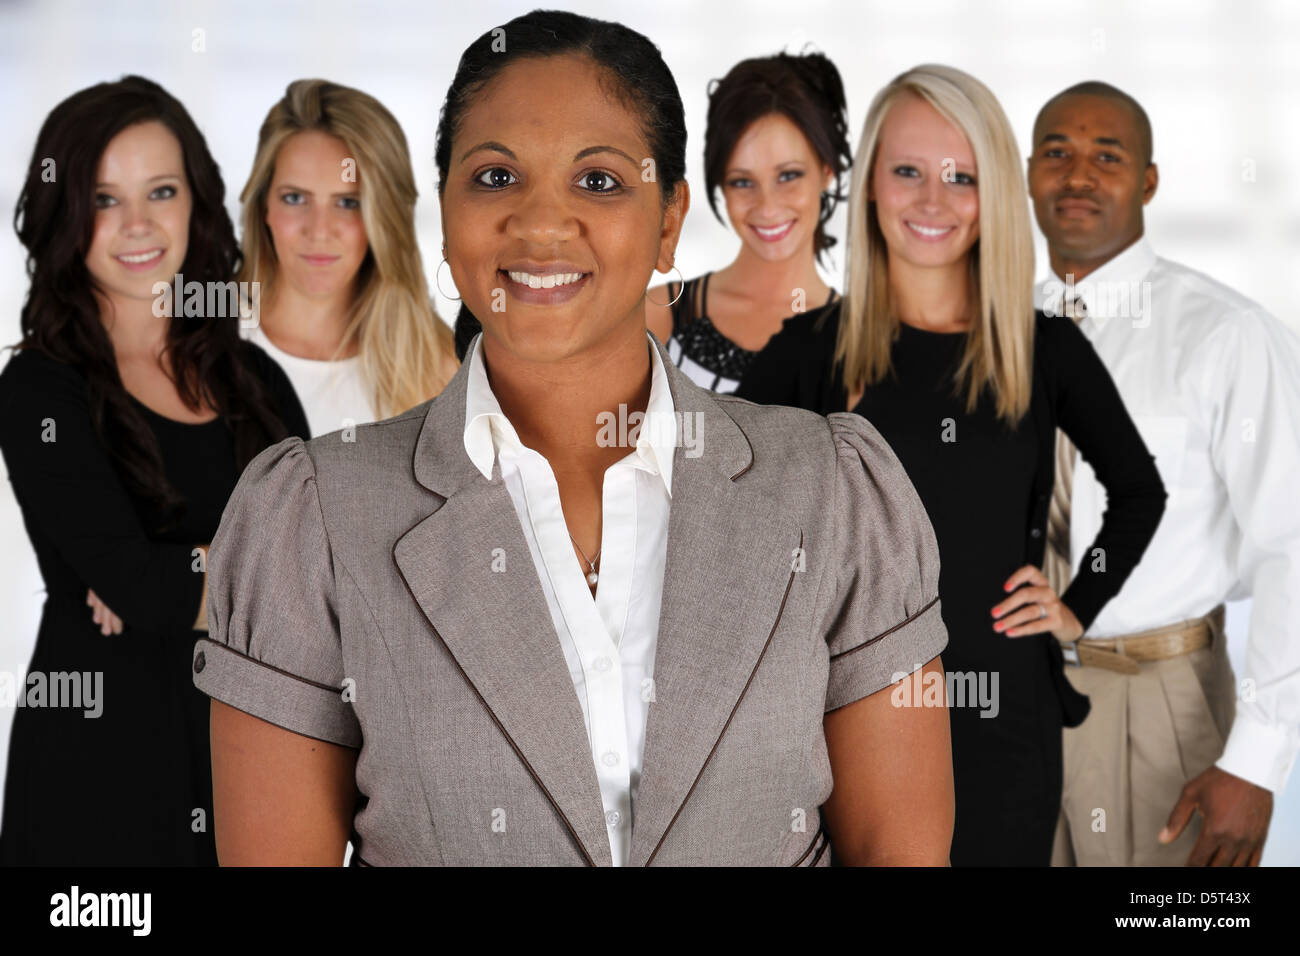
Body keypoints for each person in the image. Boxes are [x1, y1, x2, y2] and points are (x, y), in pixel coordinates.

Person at [192, 10, 955, 867]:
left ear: (669, 219)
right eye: (494, 177)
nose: (543, 223)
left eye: (598, 181)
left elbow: (901, 851)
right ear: (443, 211)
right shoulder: (312, 520)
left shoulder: (833, 494)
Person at [737, 64, 1167, 865]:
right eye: (907, 171)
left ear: (993, 192)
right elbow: (724, 518)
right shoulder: (808, 354)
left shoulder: (1046, 349)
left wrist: (1080, 601)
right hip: (844, 719)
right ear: (869, 185)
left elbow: (1140, 491)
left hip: (1006, 718)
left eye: (960, 177)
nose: (932, 201)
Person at [0, 76, 310, 865]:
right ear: (68, 215)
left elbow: (320, 565)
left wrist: (177, 581)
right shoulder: (41, 387)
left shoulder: (255, 380)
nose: (137, 224)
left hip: (253, 760)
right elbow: (144, 585)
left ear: (195, 200)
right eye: (105, 200)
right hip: (98, 769)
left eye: (161, 191)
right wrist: (168, 583)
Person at [1029, 81, 1300, 867]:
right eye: (1057, 154)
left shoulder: (1227, 335)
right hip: (1020, 700)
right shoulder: (1000, 327)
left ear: (1148, 181)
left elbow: (1292, 544)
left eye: (1106, 157)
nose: (1078, 176)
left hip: (1160, 700)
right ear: (1027, 176)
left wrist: (1256, 760)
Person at [237, 79, 457, 436]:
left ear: (384, 217)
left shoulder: (441, 370)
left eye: (348, 202)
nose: (319, 230)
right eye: (295, 198)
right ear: (263, 205)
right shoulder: (195, 333)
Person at [642, 51, 850, 393]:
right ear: (720, 184)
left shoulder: (865, 344)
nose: (767, 206)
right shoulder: (656, 315)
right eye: (742, 181)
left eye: (789, 176)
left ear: (827, 171)